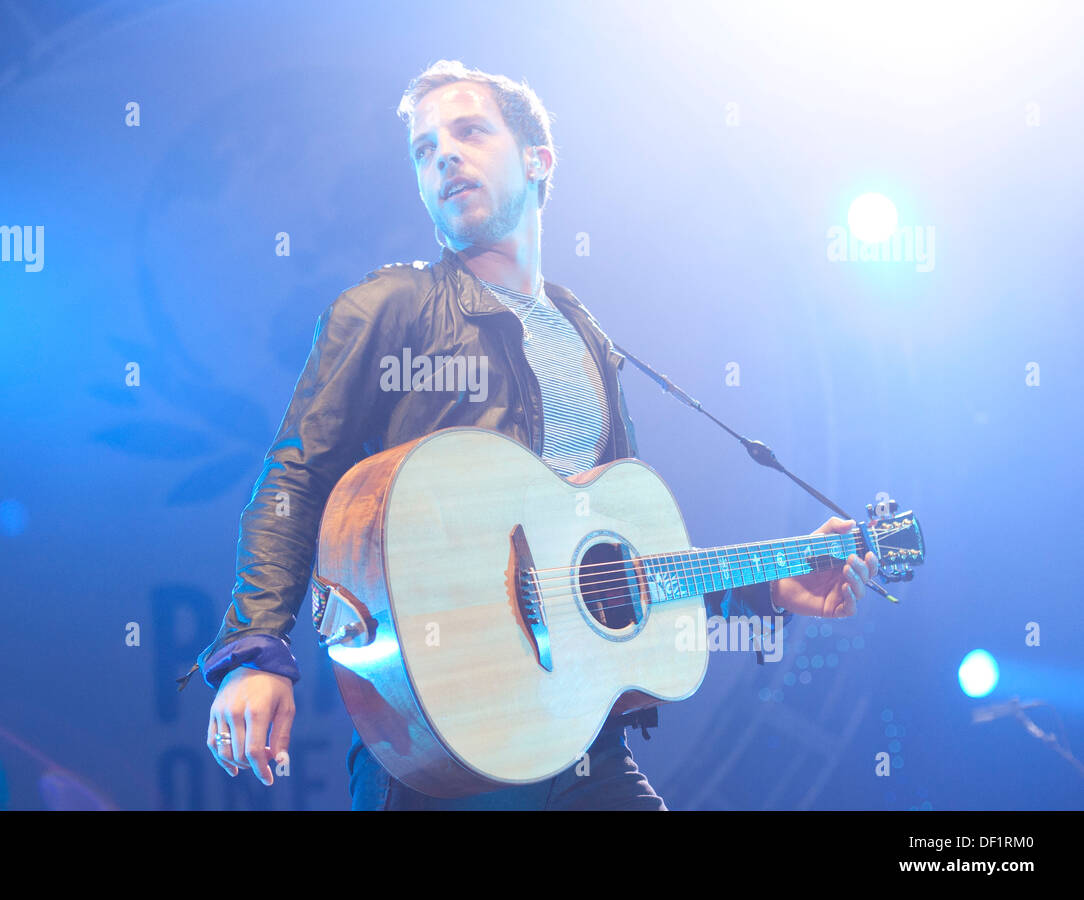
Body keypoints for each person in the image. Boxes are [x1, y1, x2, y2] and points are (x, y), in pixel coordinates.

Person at [187, 60, 878, 809]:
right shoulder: (390, 306)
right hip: (439, 743)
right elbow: (295, 477)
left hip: (584, 739)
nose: (443, 155)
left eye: (470, 131)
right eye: (424, 149)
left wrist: (768, 588)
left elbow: (614, 564)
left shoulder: (590, 339)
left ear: (539, 161)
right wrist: (255, 649)